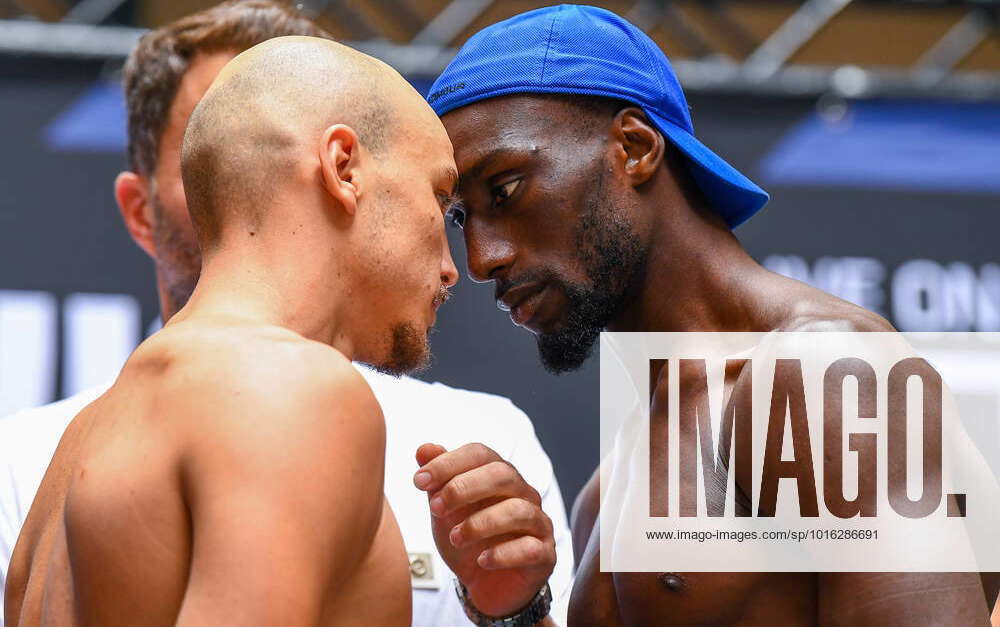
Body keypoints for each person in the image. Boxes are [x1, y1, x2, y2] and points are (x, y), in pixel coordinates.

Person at [417, 5, 997, 625]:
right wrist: (516, 609)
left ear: (634, 149)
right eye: (461, 218)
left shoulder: (824, 372)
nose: (482, 258)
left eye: (505, 190)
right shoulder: (619, 470)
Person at [0, 3, 572, 626]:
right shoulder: (295, 388)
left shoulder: (82, 440)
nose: (452, 267)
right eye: (439, 200)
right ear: (343, 168)